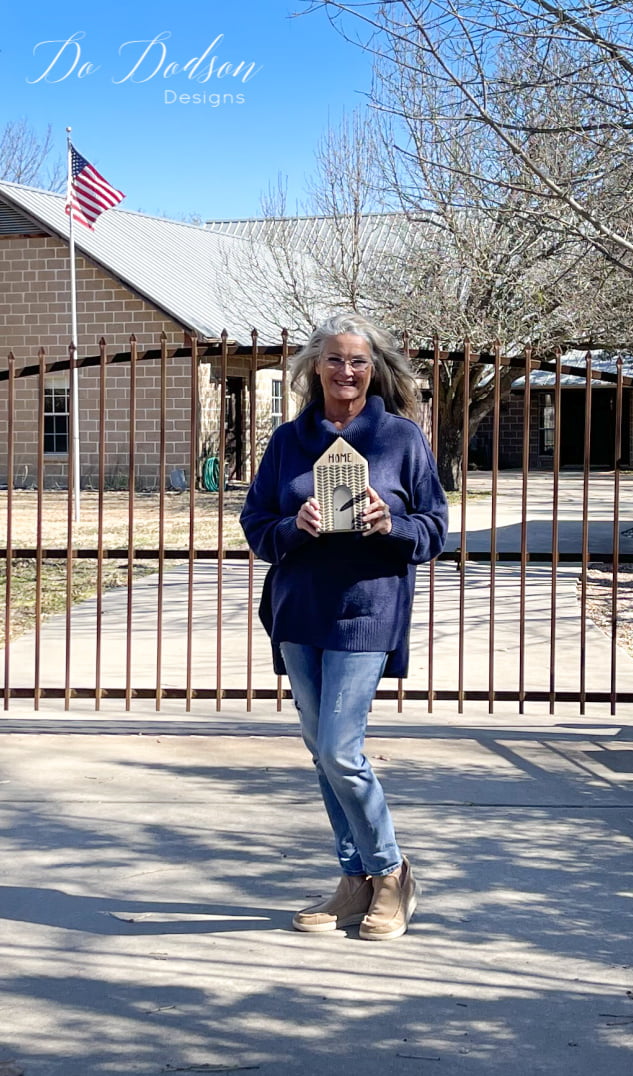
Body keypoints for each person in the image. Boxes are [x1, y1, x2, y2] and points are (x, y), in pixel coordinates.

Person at [240, 313, 448, 941]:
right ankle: (354, 881)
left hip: (366, 610)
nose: (346, 371)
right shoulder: (288, 442)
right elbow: (255, 524)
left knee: (338, 747)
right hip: (300, 611)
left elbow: (435, 527)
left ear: (375, 368)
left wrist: (395, 525)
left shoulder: (401, 439)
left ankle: (392, 872)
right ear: (314, 368)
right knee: (320, 752)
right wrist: (289, 527)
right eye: (334, 360)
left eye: (358, 361)